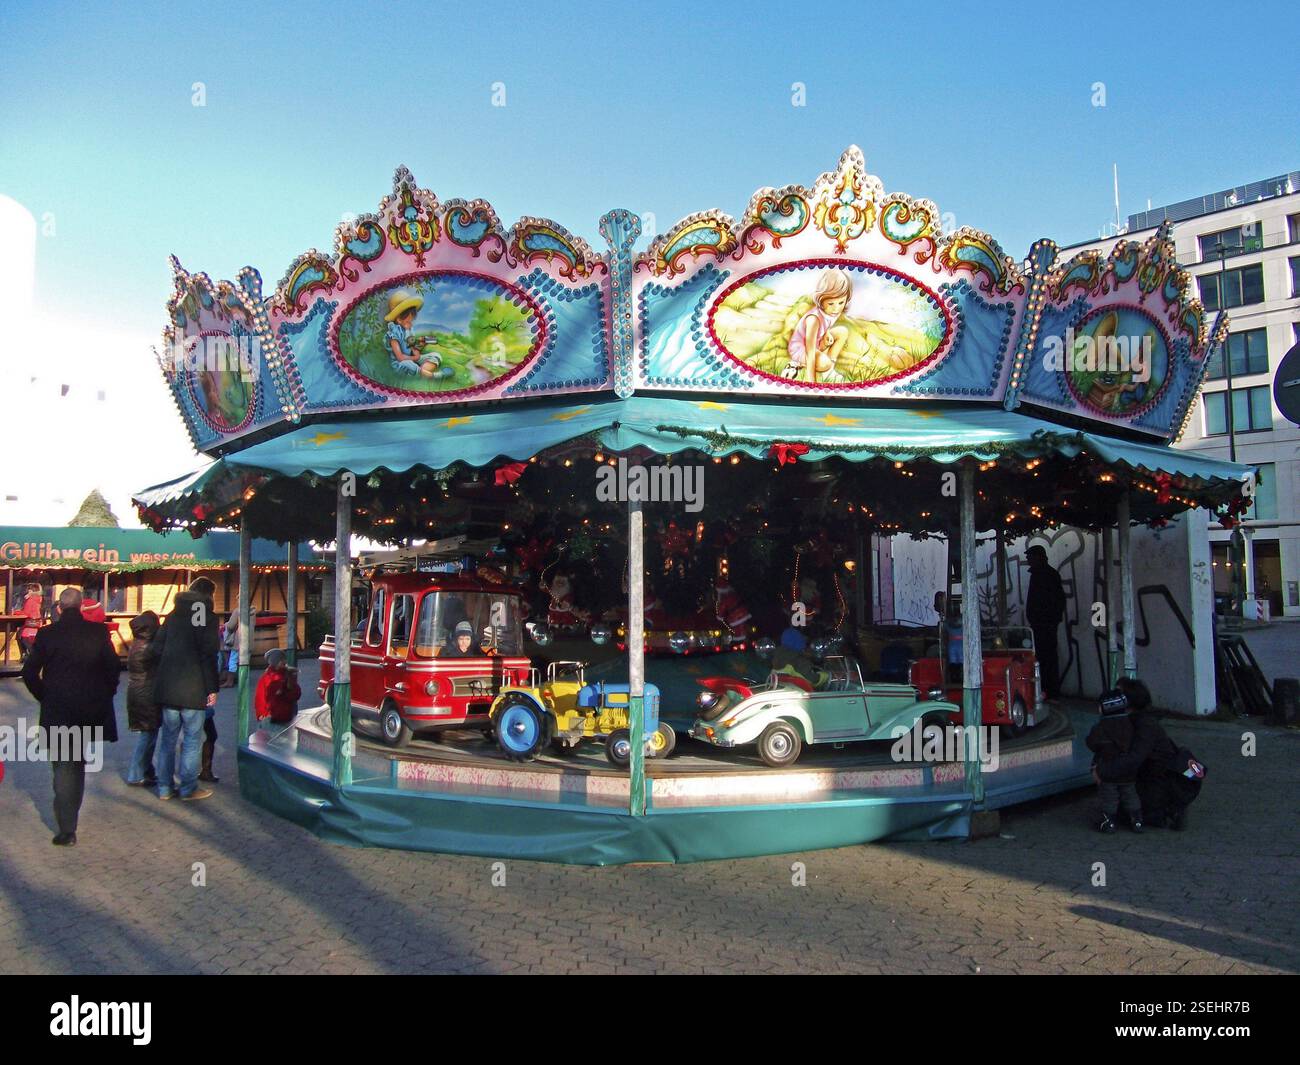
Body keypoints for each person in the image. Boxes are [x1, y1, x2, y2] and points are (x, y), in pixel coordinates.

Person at [21, 588, 121, 845]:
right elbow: (113, 669)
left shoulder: (47, 634)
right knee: (77, 763)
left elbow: (30, 672)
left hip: (58, 711)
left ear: (59, 609)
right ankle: (71, 815)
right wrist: (105, 694)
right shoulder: (98, 633)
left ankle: (67, 828)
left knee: (64, 766)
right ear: (81, 606)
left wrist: (44, 695)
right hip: (88, 710)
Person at [1096, 678, 1205, 830]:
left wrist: (1103, 771)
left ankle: (1169, 811)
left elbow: (1135, 757)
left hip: (1160, 780)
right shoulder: (1130, 721)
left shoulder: (1144, 725)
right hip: (1150, 776)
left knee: (1128, 811)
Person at [149, 576, 220, 800]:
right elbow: (207, 653)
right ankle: (188, 788)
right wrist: (212, 687)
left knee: (168, 740)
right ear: (208, 594)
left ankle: (164, 788)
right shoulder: (203, 614)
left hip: (168, 687)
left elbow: (156, 648)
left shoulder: (173, 615)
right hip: (193, 687)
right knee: (191, 741)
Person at [1086, 689, 1144, 833]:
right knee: (1130, 794)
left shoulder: (1101, 727)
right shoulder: (1130, 725)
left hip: (1108, 770)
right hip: (1128, 771)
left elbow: (1091, 743)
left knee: (1109, 797)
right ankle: (1136, 820)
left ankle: (1109, 822)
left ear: (1105, 708)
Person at [125, 611, 162, 787]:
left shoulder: (138, 643)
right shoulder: (149, 647)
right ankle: (135, 773)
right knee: (147, 736)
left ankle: (147, 770)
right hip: (145, 693)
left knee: (149, 734)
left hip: (138, 692)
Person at [1025, 545, 1066, 699]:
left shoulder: (1044, 575)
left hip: (1044, 624)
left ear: (1038, 558)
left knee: (1045, 657)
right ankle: (1049, 690)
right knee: (1045, 657)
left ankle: (1049, 690)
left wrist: (1048, 619)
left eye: (1030, 557)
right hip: (1044, 623)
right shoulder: (1045, 574)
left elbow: (1054, 600)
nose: (1028, 560)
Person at [254, 649, 302, 726]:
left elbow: (296, 694)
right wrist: (262, 714)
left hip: (285, 715)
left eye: (284, 659)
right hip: (273, 717)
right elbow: (260, 698)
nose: (285, 662)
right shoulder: (268, 679)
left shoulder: (286, 675)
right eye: (282, 660)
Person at [16, 582, 45, 661]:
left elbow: (26, 613)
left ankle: (24, 655)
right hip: (37, 625)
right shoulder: (39, 599)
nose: (27, 591)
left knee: (19, 635)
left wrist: (16, 612)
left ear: (31, 591)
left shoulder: (31, 600)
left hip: (30, 625)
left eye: (28, 590)